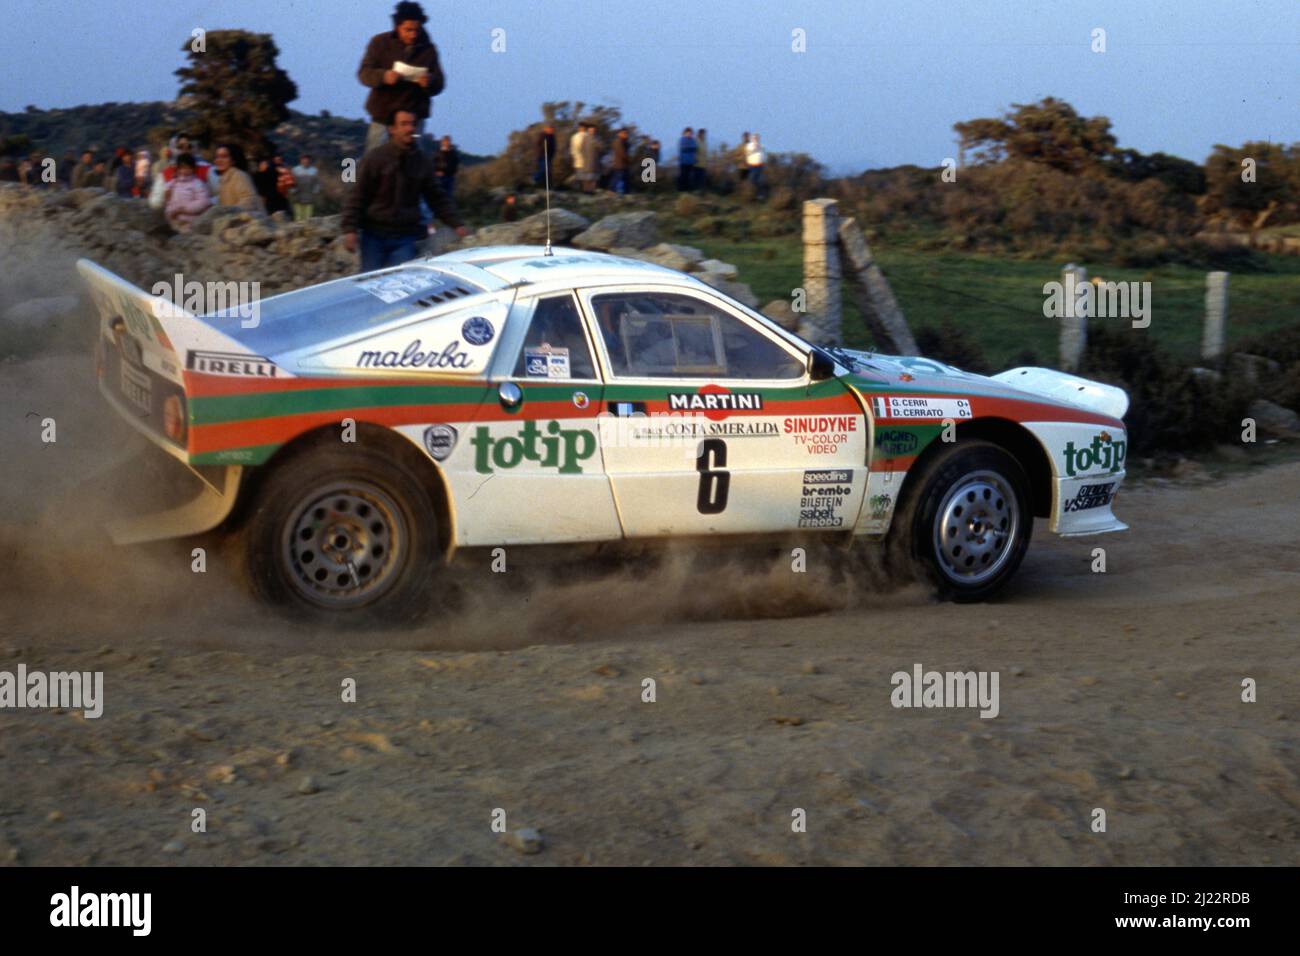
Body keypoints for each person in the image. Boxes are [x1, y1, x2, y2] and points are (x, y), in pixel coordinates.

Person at [342, 109, 468, 273]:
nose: (410, 129)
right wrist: (350, 229)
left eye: (413, 124)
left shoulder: (422, 161)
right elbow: (357, 194)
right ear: (392, 129)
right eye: (404, 124)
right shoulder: (375, 158)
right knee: (369, 283)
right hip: (373, 236)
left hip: (405, 238)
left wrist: (457, 224)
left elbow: (437, 197)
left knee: (400, 285)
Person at [357, 1, 445, 154]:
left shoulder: (430, 50)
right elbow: (363, 73)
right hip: (382, 116)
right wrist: (383, 76)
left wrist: (430, 81)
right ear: (397, 26)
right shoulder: (379, 43)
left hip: (415, 118)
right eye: (408, 30)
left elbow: (440, 83)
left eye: (416, 30)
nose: (413, 34)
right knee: (375, 159)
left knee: (413, 162)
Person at [164, 153, 213, 231]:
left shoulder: (197, 183)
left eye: (188, 168)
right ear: (178, 168)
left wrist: (183, 209)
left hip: (191, 224)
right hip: (175, 223)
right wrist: (171, 212)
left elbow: (203, 202)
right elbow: (168, 202)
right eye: (182, 168)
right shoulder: (172, 183)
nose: (185, 171)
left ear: (193, 169)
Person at [211, 144, 264, 212]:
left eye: (224, 156)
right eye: (217, 157)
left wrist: (230, 212)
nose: (219, 160)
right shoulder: (224, 179)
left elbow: (249, 200)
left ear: (233, 160)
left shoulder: (239, 176)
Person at [289, 153, 320, 220]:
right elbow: (291, 182)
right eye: (304, 160)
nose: (306, 161)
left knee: (308, 217)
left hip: (309, 195)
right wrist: (292, 190)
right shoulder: (295, 170)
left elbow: (316, 183)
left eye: (307, 160)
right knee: (298, 216)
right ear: (301, 160)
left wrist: (315, 191)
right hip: (298, 195)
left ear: (310, 161)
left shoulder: (314, 170)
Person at [579, 123, 600, 193]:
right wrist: (584, 157)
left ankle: (592, 190)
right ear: (588, 130)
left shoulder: (597, 138)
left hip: (595, 161)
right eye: (591, 130)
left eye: (593, 130)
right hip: (587, 161)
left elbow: (602, 147)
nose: (592, 131)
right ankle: (586, 190)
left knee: (593, 177)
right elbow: (581, 149)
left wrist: (597, 144)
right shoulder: (585, 138)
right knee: (587, 177)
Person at [610, 128, 630, 196]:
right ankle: (613, 191)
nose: (626, 135)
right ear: (619, 134)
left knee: (622, 178)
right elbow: (621, 153)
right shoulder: (618, 142)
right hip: (619, 164)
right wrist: (627, 158)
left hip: (622, 164)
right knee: (617, 178)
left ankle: (624, 192)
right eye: (624, 133)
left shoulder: (624, 142)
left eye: (626, 133)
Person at [746, 132, 766, 198]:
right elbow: (748, 153)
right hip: (752, 165)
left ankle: (760, 194)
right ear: (752, 138)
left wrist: (763, 162)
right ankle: (750, 193)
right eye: (755, 138)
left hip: (760, 165)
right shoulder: (749, 146)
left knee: (760, 180)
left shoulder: (761, 146)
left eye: (757, 138)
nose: (756, 139)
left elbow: (764, 155)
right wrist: (755, 149)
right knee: (752, 179)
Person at [677, 127, 697, 192]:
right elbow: (684, 148)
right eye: (688, 133)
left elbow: (695, 149)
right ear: (685, 133)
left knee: (690, 176)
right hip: (684, 161)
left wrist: (690, 149)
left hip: (691, 161)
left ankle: (688, 189)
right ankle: (681, 190)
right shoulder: (682, 140)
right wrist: (691, 149)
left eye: (690, 133)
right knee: (683, 176)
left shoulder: (693, 140)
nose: (689, 134)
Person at [569, 122, 587, 187]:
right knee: (581, 175)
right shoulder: (575, 137)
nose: (581, 128)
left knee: (583, 175)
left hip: (583, 160)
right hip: (580, 159)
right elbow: (573, 148)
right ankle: (581, 187)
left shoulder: (587, 136)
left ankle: (583, 187)